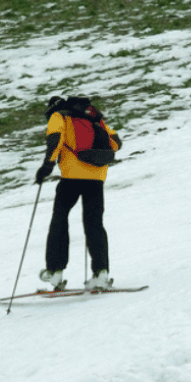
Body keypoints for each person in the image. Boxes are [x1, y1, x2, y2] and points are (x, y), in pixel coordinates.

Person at [34, 96, 122, 290]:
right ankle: (102, 273)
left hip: (71, 178)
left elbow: (55, 140)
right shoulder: (92, 117)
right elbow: (116, 142)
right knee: (94, 224)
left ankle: (55, 272)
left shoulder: (59, 116)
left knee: (60, 218)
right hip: (96, 177)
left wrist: (46, 166)